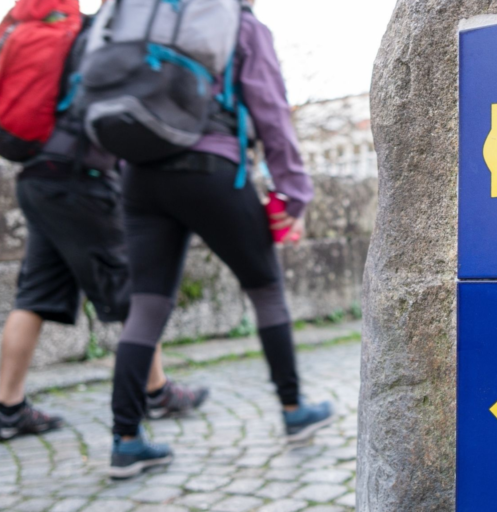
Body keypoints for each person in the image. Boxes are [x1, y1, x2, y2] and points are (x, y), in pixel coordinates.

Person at [107, 0, 334, 479]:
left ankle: (125, 440)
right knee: (266, 291)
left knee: (146, 308)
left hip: (140, 176)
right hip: (210, 168)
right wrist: (292, 192)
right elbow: (270, 109)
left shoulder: (144, 18)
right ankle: (294, 411)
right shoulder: (240, 22)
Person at [0, 1, 208, 442]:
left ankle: (7, 410)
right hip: (79, 178)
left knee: (34, 294)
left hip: (36, 177)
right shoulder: (91, 35)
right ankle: (155, 394)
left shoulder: (30, 32)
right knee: (135, 290)